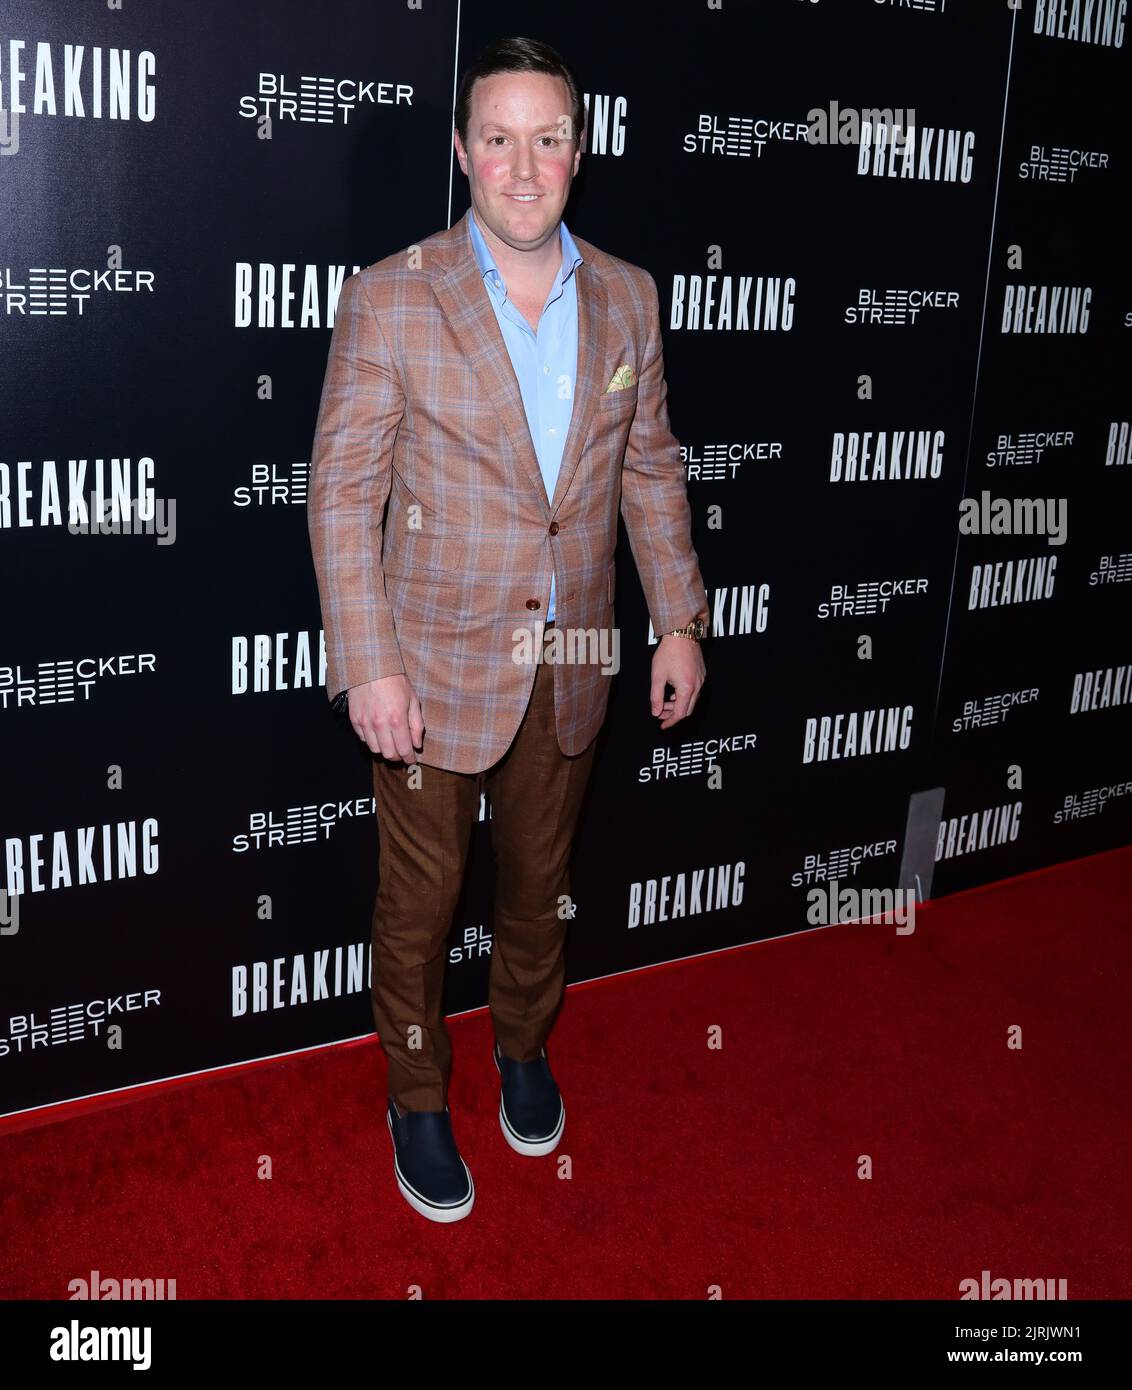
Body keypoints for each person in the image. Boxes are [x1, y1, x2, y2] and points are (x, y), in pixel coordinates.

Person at [307, 36, 708, 1223]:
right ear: (462, 152)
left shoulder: (630, 294)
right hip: (429, 665)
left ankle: (523, 1047)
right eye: (498, 138)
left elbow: (649, 468)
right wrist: (368, 661)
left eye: (546, 138)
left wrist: (679, 617)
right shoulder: (392, 292)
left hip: (575, 657)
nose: (522, 165)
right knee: (420, 905)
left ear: (577, 154)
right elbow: (341, 493)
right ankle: (417, 1094)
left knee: (540, 884)